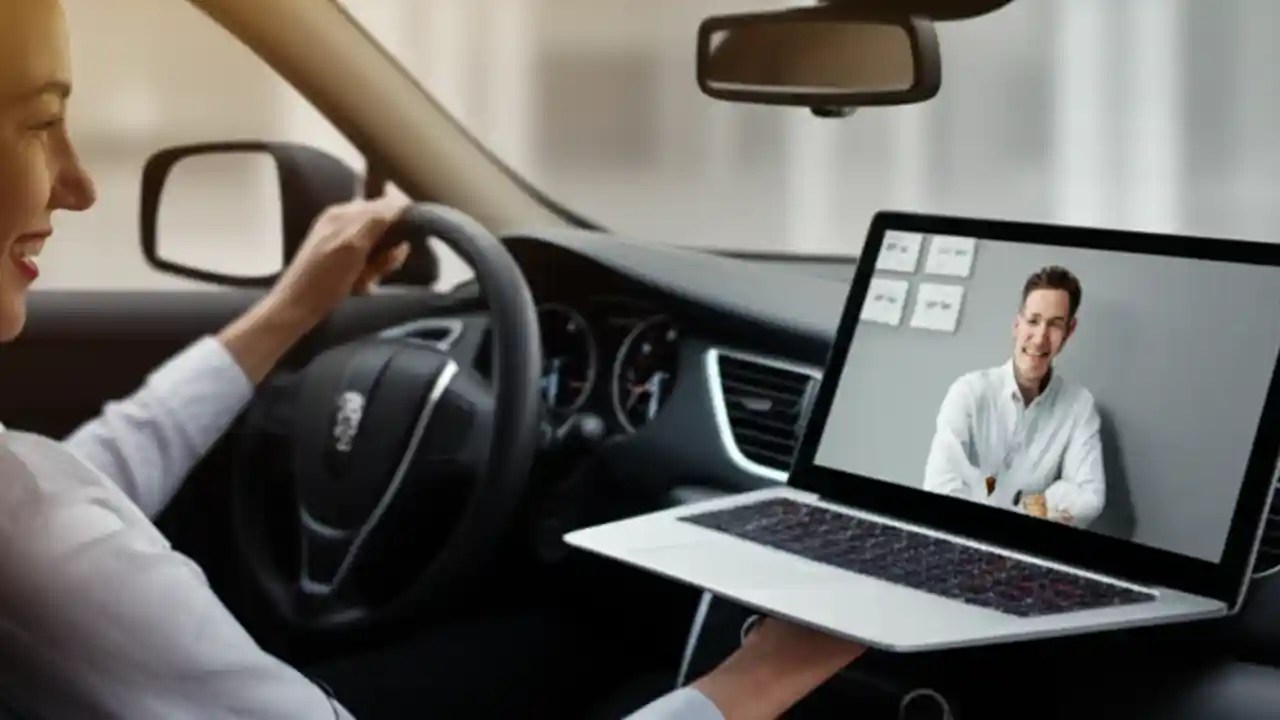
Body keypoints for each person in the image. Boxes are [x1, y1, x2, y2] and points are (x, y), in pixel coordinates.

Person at [0, 0, 866, 717]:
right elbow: (56, 518)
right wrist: (764, 674)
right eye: (41, 124)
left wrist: (292, 311)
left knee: (551, 643)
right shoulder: (32, 538)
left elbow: (84, 480)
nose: (79, 186)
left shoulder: (30, 509)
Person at [922, 265, 1106, 527]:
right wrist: (1040, 508)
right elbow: (940, 489)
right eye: (1033, 321)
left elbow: (1090, 497)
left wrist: (1025, 506)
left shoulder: (1079, 405)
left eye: (1055, 325)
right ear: (1017, 324)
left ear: (1069, 331)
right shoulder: (969, 393)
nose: (1040, 338)